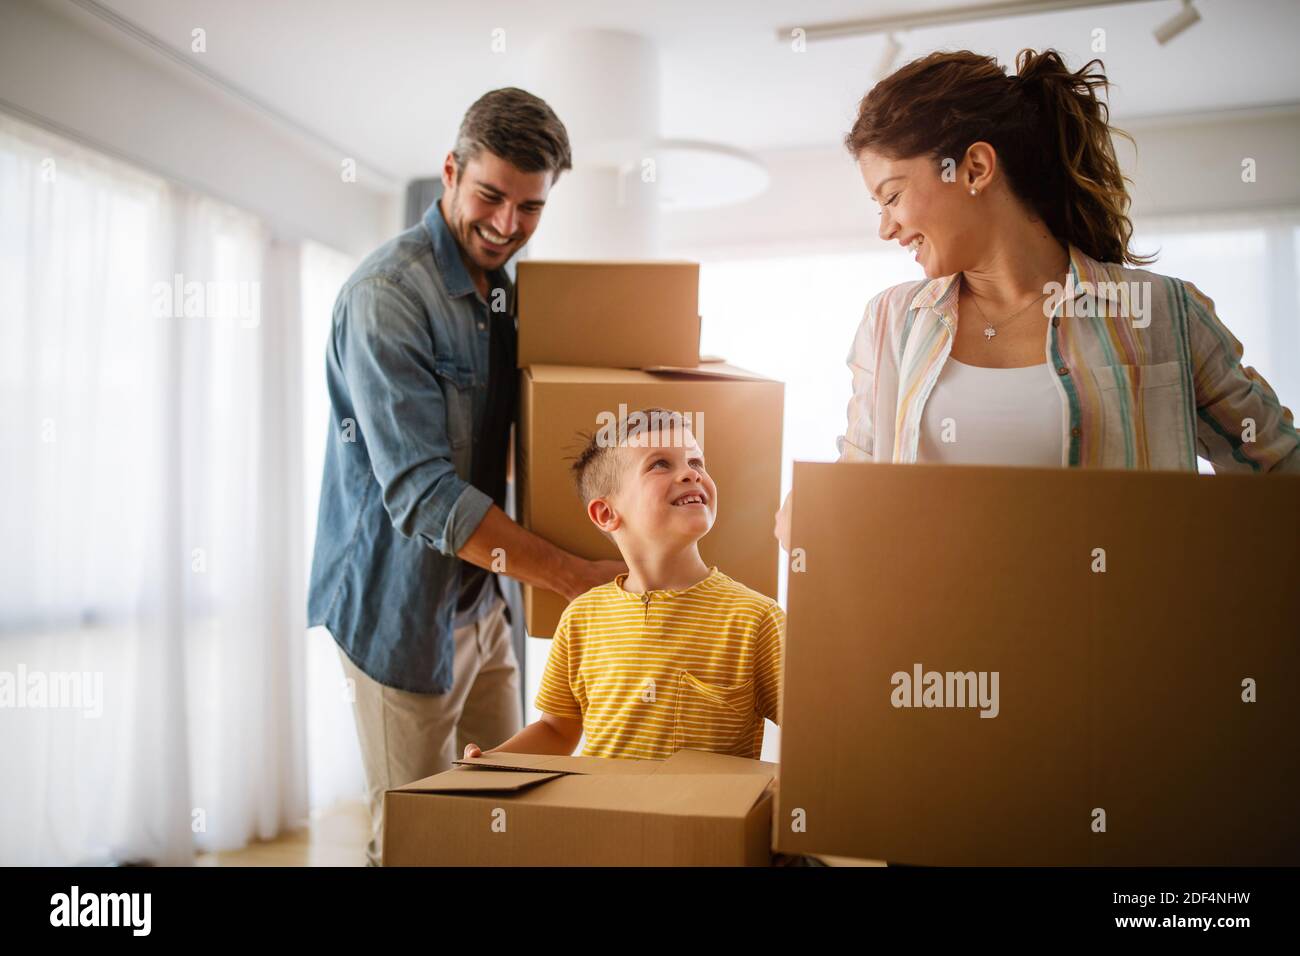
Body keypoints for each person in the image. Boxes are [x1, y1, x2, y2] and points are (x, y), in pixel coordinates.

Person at [775, 48, 1299, 549]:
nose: (886, 227)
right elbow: (861, 473)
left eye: (891, 196)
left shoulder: (1161, 313)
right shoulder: (891, 321)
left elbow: (1279, 469)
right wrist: (813, 512)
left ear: (975, 168)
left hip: (1118, 639)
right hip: (937, 639)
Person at [308, 88, 625, 865]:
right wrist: (571, 576)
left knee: (502, 813)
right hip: (400, 614)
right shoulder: (389, 298)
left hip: (485, 604)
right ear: (450, 172)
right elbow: (424, 496)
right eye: (490, 195)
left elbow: (515, 446)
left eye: (531, 206)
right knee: (420, 840)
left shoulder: (506, 297)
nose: (507, 225)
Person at [464, 408, 785, 762]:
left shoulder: (756, 618)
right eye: (660, 464)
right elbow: (557, 731)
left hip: (706, 818)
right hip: (602, 816)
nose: (690, 473)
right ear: (606, 514)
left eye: (696, 461)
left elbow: (811, 729)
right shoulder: (582, 617)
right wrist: (492, 761)